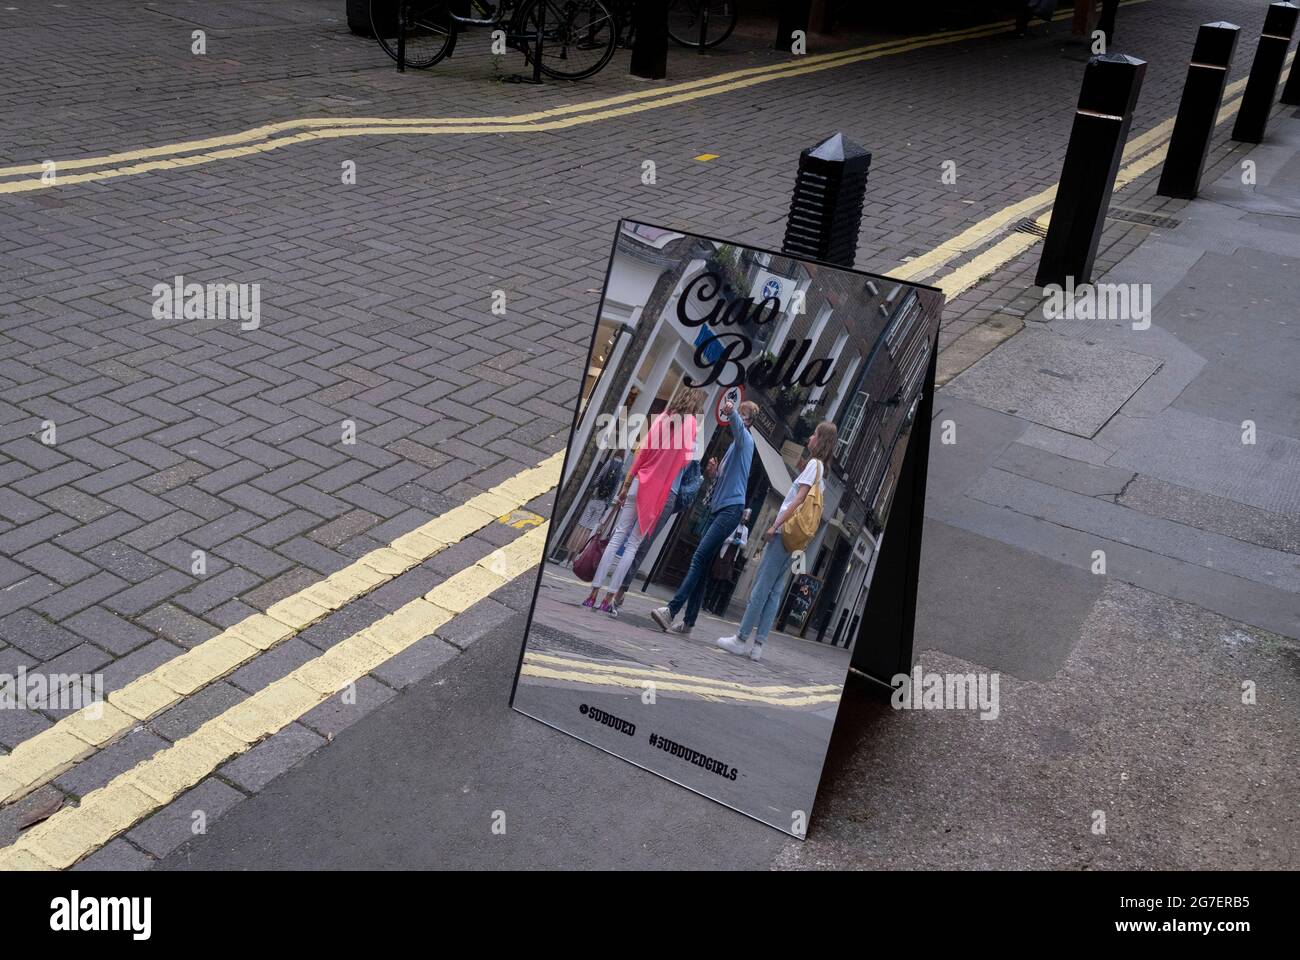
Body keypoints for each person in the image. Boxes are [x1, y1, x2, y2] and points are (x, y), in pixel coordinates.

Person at [717, 421, 837, 662]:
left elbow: (797, 501)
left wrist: (774, 525)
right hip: (797, 540)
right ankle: (758, 645)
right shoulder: (823, 471)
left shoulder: (813, 465)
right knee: (775, 591)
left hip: (786, 533)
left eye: (814, 435)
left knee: (762, 587)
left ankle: (741, 639)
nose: (809, 438)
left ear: (821, 440)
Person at [582, 387, 705, 615]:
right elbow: (686, 463)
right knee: (633, 545)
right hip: (658, 492)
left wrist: (627, 483)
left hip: (639, 481)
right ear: (696, 406)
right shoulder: (691, 429)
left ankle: (592, 594)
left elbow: (643, 452)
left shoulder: (661, 419)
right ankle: (609, 599)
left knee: (618, 535)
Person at [651, 399, 757, 637]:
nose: (738, 416)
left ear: (748, 421)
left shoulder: (746, 441)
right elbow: (723, 480)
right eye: (739, 412)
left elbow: (738, 429)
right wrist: (713, 473)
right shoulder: (734, 448)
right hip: (723, 509)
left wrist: (732, 411)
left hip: (730, 510)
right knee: (704, 563)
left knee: (698, 556)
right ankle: (688, 624)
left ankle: (671, 610)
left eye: (743, 414)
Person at [607, 454, 718, 614]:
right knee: (633, 539)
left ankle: (618, 591)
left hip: (664, 491)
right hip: (654, 487)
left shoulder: (692, 444)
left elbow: (690, 477)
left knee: (639, 541)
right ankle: (615, 590)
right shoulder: (677, 435)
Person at [561, 451, 623, 564]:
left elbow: (598, 478)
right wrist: (607, 505)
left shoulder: (609, 463)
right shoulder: (620, 470)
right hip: (603, 504)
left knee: (581, 525)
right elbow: (614, 491)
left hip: (594, 499)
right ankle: (573, 560)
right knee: (588, 530)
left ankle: (566, 558)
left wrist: (592, 489)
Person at [703, 508, 750, 614]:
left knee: (721, 582)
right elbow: (724, 538)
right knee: (714, 579)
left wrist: (740, 542)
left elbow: (745, 545)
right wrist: (731, 540)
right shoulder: (733, 524)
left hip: (731, 558)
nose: (744, 519)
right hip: (723, 555)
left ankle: (711, 606)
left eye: (746, 518)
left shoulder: (745, 530)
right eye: (743, 516)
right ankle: (704, 602)